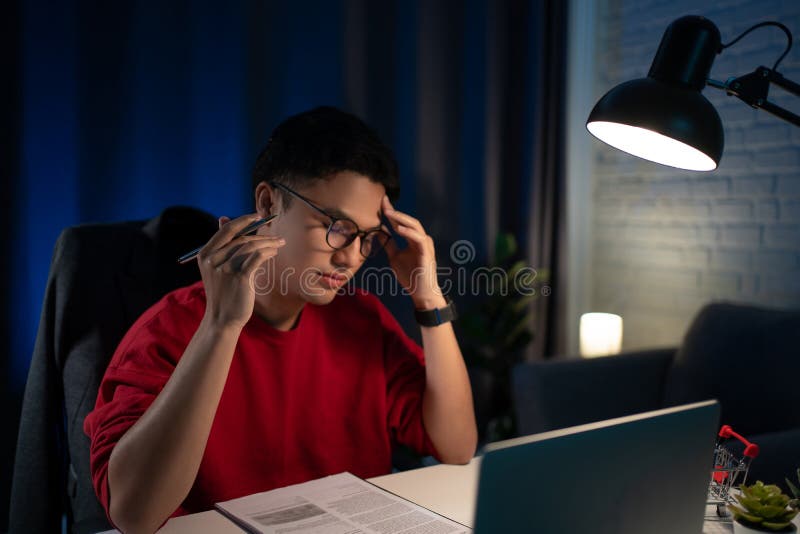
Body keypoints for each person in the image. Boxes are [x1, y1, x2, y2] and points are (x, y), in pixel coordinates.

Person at [84, 106, 477, 533]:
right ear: (269, 202)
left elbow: (456, 446)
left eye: (366, 238)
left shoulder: (360, 319)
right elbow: (133, 514)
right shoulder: (169, 331)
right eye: (336, 226)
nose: (349, 256)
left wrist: (428, 297)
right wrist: (221, 325)